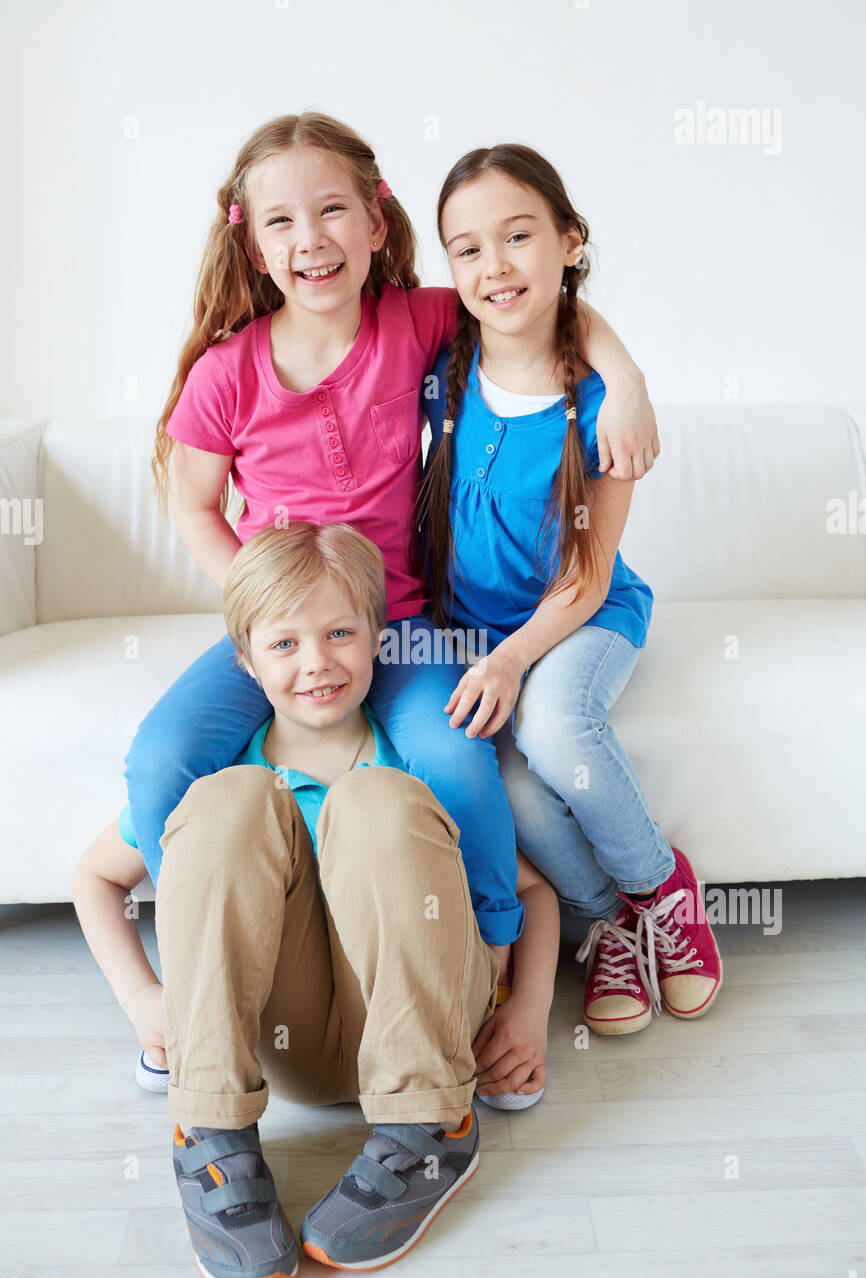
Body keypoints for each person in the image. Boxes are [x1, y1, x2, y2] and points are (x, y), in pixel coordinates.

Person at [123, 110, 661, 968]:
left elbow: (538, 306)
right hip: (272, 635)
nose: (313, 239)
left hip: (406, 625)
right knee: (157, 765)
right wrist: (257, 618)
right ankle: (204, 968)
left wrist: (627, 378)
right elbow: (192, 503)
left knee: (457, 766)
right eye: (282, 222)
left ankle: (494, 965)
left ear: (376, 222)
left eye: (333, 210)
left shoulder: (416, 323)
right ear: (255, 250)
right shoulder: (226, 374)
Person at [72, 521, 561, 1278]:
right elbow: (95, 879)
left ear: (377, 638)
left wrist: (530, 1009)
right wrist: (144, 1001)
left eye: (340, 634)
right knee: (228, 802)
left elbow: (530, 888)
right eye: (285, 645)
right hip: (280, 1039)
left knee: (375, 801)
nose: (317, 664)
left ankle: (433, 1127)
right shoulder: (224, 763)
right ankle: (213, 1133)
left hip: (423, 1028)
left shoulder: (417, 751)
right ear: (245, 661)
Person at [414, 143, 723, 1036]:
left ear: (570, 242)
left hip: (582, 616)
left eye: (518, 236)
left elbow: (585, 580)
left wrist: (623, 377)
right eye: (466, 248)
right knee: (493, 780)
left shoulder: (598, 403)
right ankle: (615, 917)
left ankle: (666, 890)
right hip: (469, 626)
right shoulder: (444, 363)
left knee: (551, 727)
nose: (494, 265)